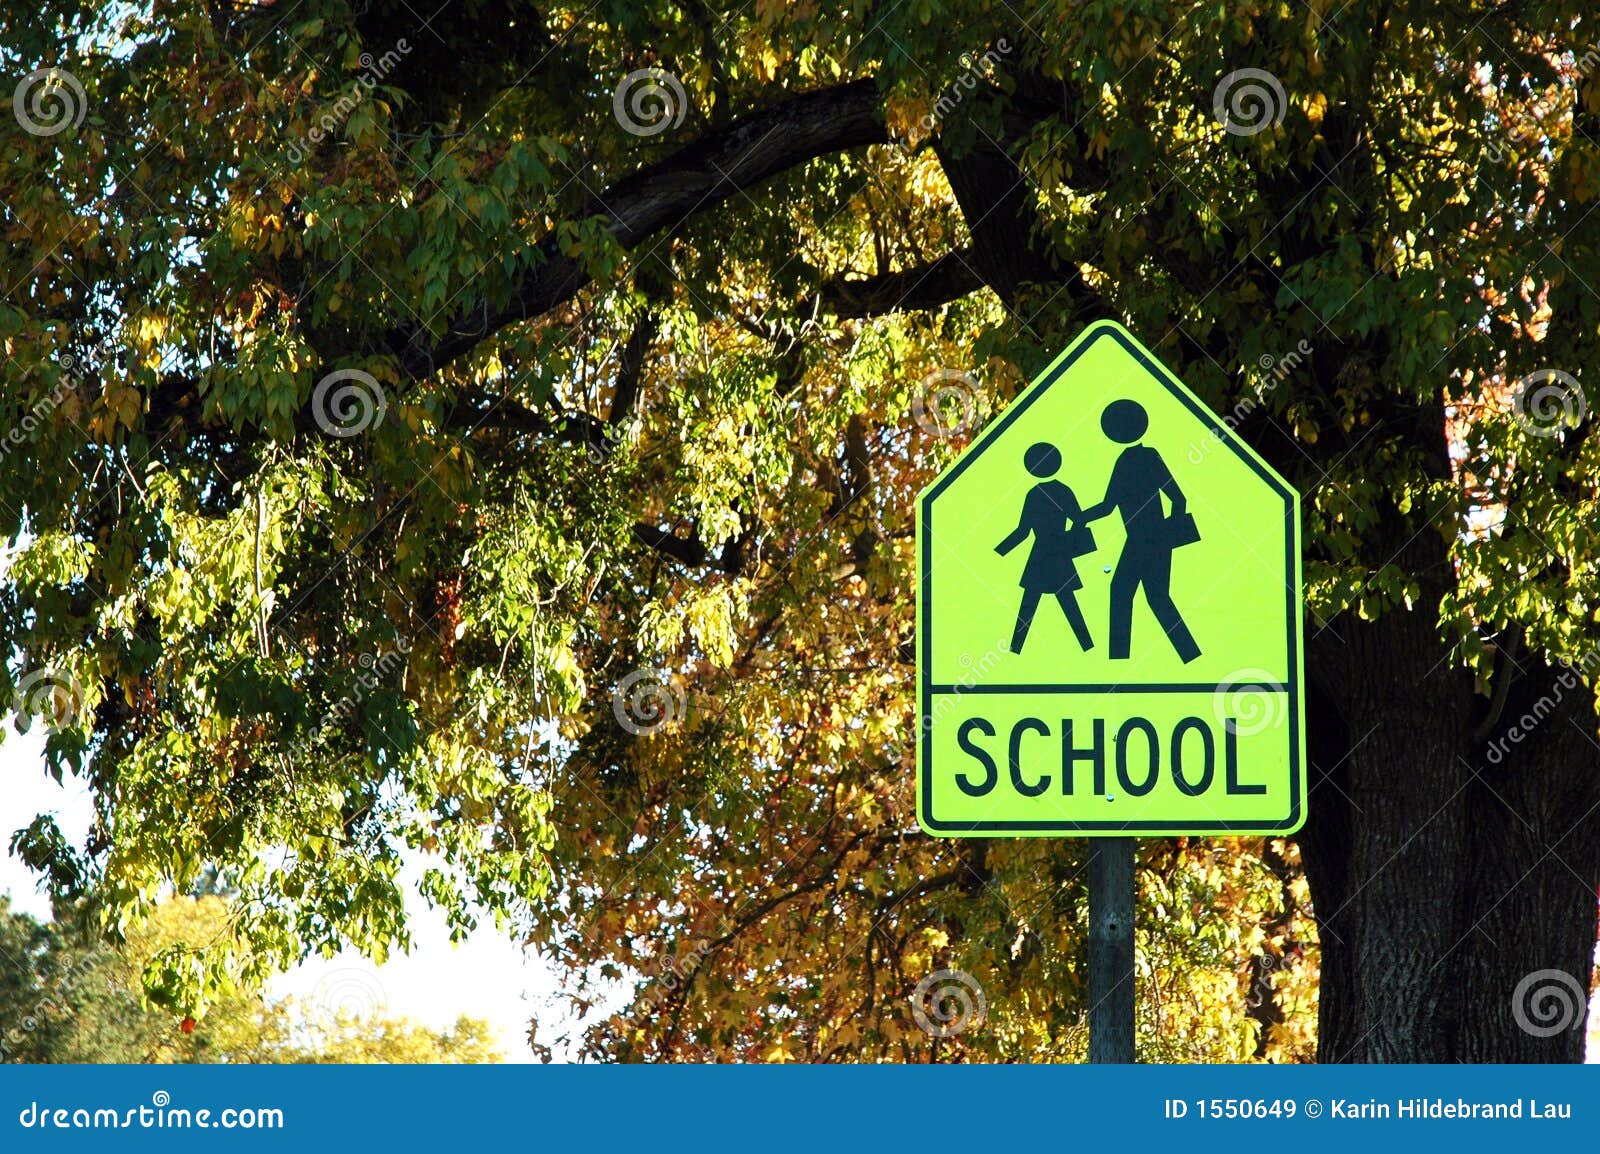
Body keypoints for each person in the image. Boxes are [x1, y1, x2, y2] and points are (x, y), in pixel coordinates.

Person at [1078, 399, 1202, 663]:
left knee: (1129, 593)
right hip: (1142, 540)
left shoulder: (1144, 458)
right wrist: (1080, 518)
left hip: (1147, 540)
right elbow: (1109, 507)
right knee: (1153, 598)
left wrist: (1169, 536)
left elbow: (1177, 498)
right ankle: (1187, 656)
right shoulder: (1130, 460)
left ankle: (1121, 663)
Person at [996, 442, 1096, 654]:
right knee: (1065, 601)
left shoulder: (1035, 494)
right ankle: (1087, 648)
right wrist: (1069, 542)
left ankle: (1016, 649)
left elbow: (1023, 532)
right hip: (1058, 554)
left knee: (1032, 603)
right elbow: (1079, 520)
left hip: (1041, 554)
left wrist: (1000, 551)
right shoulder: (1063, 491)